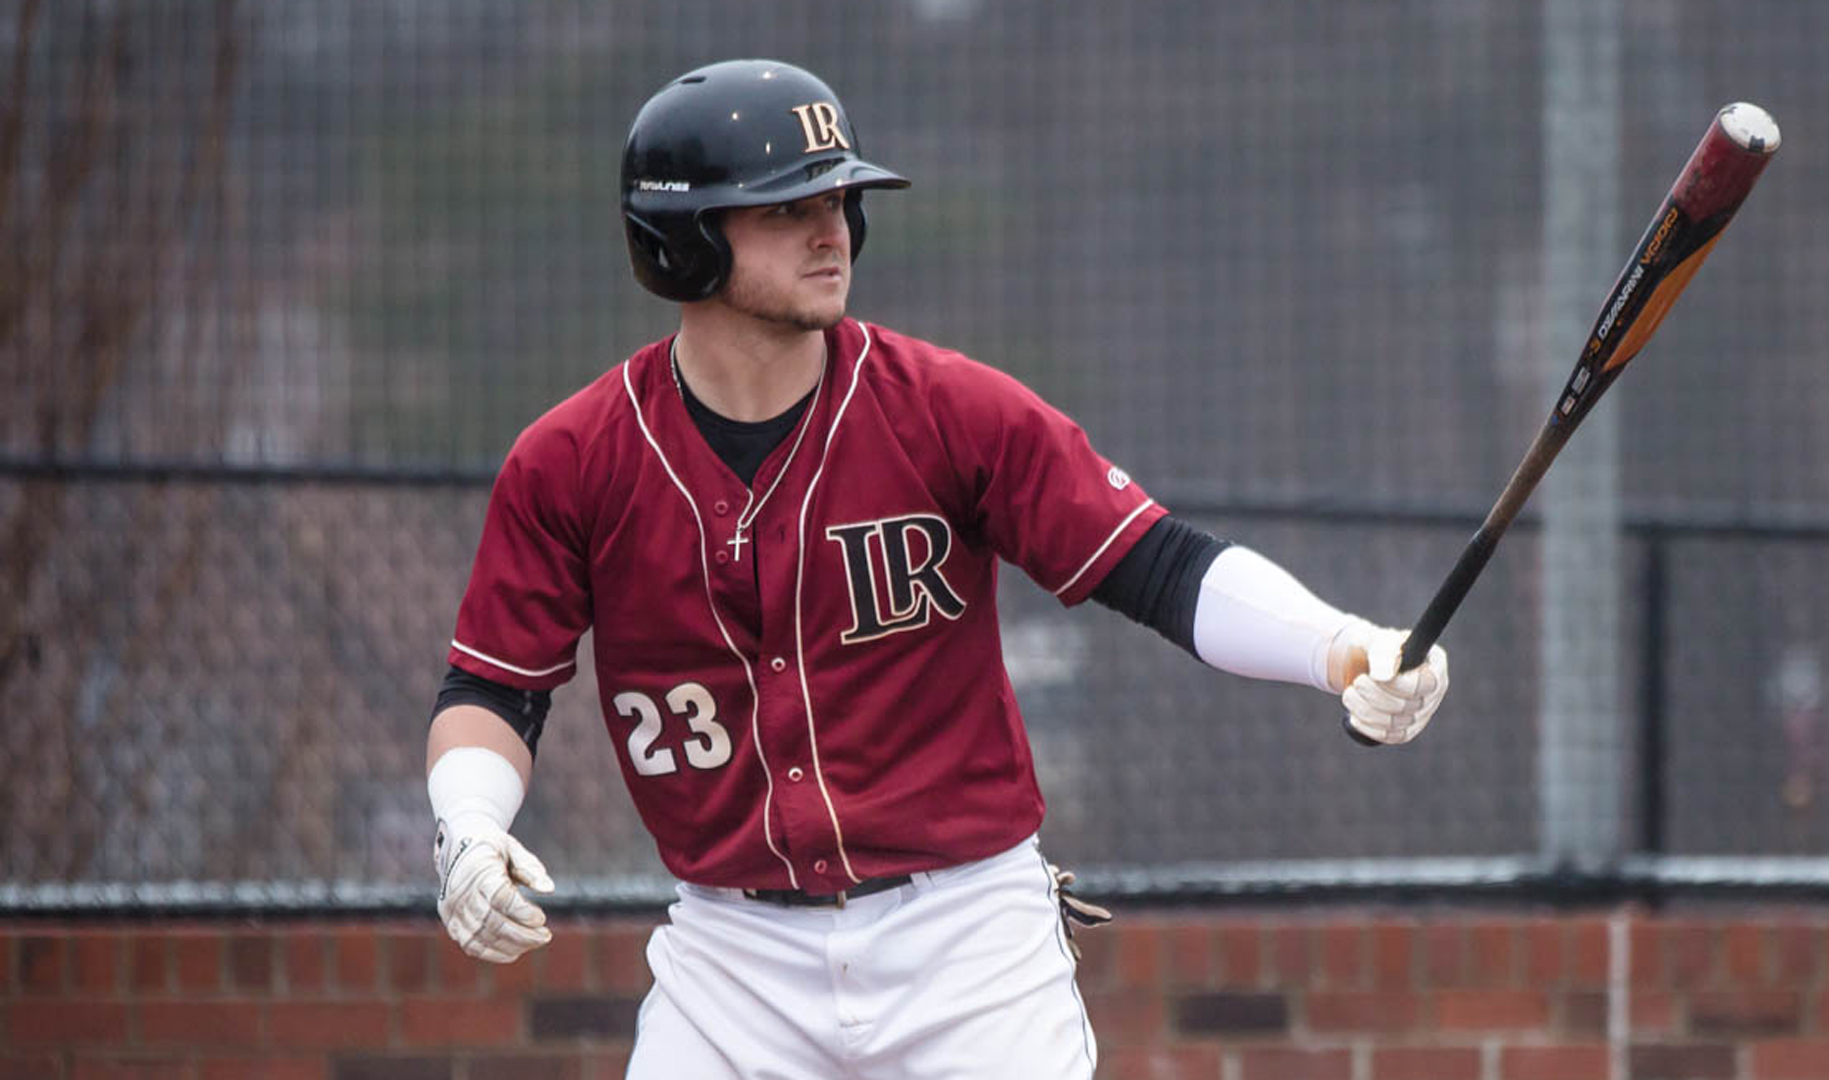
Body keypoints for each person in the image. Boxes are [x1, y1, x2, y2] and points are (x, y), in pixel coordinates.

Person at [425, 58, 1449, 1079]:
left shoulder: (948, 408)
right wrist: (468, 829)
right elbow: (494, 686)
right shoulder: (571, 461)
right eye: (787, 209)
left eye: (839, 200)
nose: (832, 231)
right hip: (732, 956)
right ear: (684, 242)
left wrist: (1341, 646)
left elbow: (1158, 564)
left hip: (967, 937)